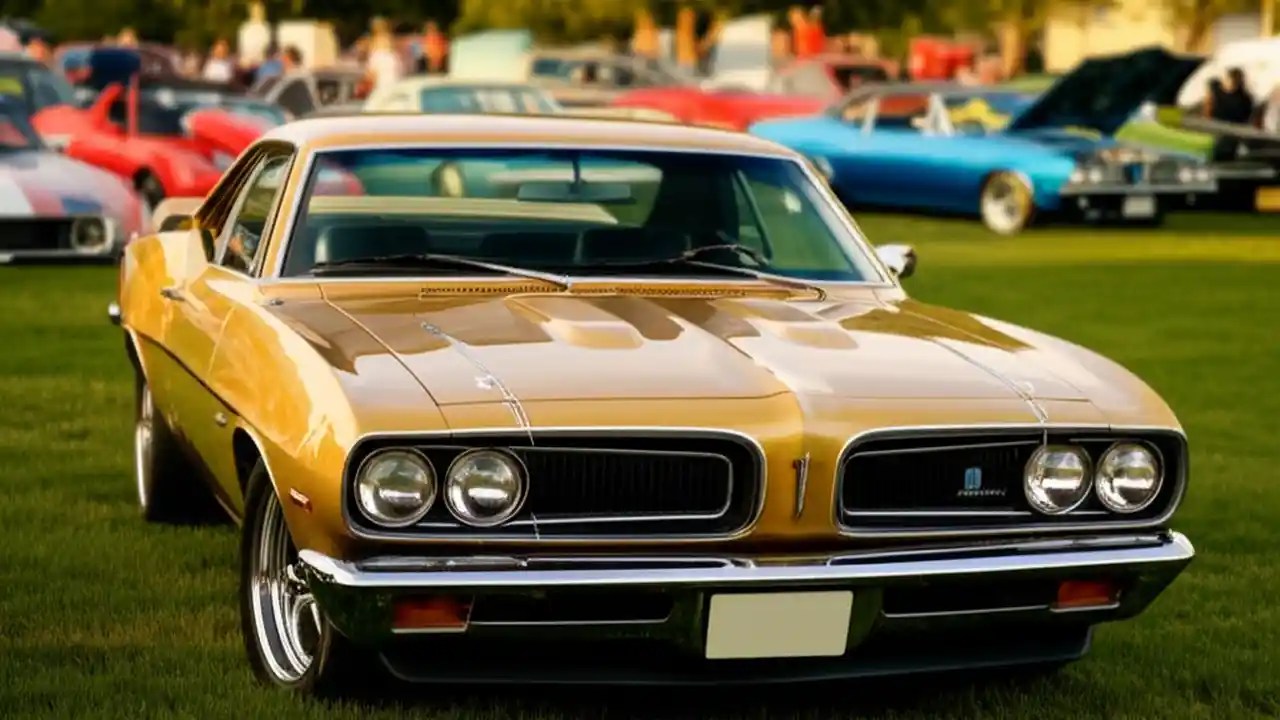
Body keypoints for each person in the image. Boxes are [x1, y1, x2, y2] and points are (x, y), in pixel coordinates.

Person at [367, 19, 403, 95]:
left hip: (382, 87)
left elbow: (371, 73)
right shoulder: (393, 54)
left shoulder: (376, 53)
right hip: (394, 85)